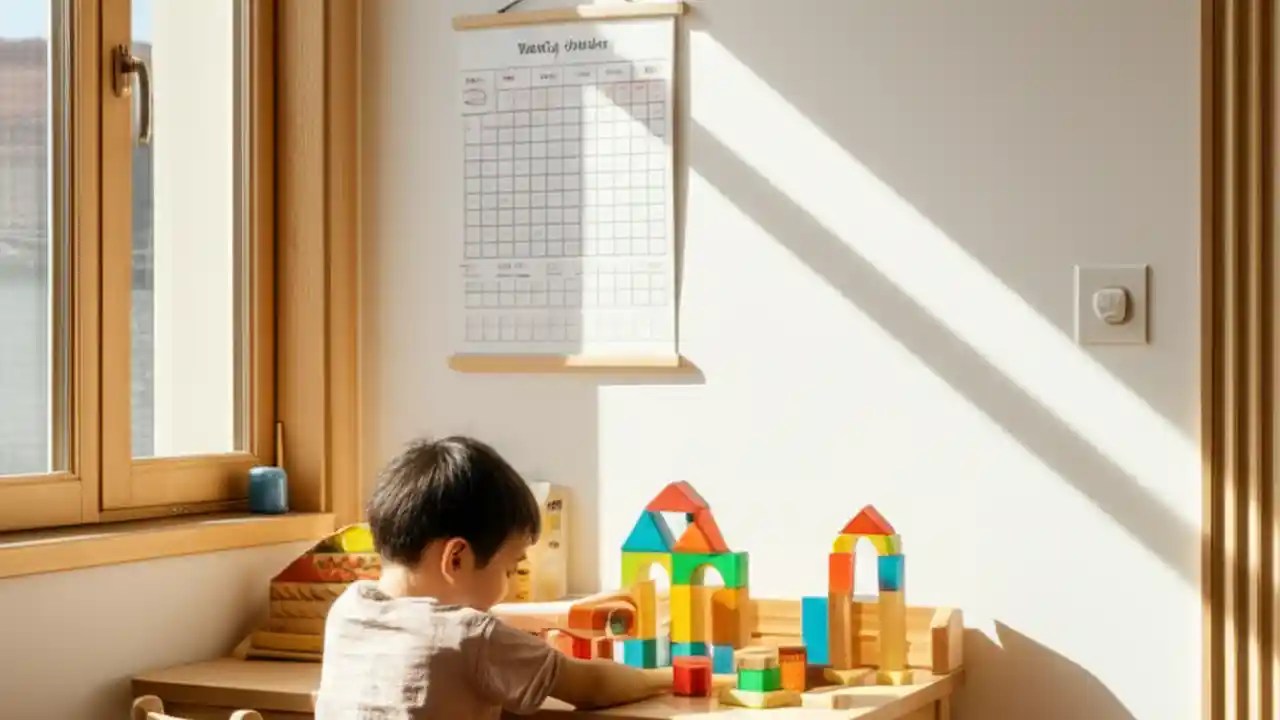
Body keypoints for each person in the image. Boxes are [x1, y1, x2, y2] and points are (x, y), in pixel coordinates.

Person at [316, 435, 670, 719]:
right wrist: (666, 678)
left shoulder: (348, 610)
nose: (512, 586)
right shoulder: (470, 636)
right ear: (456, 559)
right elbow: (592, 687)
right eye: (510, 567)